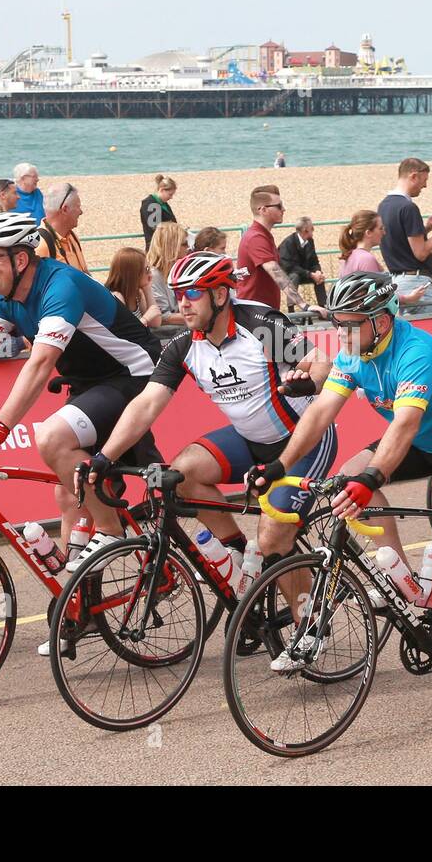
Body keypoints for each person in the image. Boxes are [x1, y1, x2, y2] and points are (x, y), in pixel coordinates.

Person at [0, 212, 162, 655]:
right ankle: (83, 609)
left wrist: (1, 426)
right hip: (90, 382)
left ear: (22, 259)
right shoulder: (3, 298)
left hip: (134, 375)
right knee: (67, 494)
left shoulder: (60, 285)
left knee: (51, 440)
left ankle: (112, 532)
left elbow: (39, 364)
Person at [246, 271, 432, 686]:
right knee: (346, 476)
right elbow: (319, 412)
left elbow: (404, 424)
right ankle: (405, 581)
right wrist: (279, 466)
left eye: (350, 323)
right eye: (338, 323)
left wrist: (371, 479)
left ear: (381, 321)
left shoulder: (416, 350)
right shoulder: (353, 352)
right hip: (424, 440)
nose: (342, 332)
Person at [85, 251, 336, 604]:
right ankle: (238, 553)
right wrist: (104, 456)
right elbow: (146, 404)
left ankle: (307, 630)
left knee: (274, 536)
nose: (182, 304)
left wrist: (308, 382)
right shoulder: (184, 346)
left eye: (191, 293)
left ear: (219, 295)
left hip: (302, 439)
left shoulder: (259, 324)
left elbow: (320, 362)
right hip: (250, 440)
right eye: (177, 294)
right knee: (182, 472)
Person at [379, 158, 432, 303]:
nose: (425, 185)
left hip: (396, 281)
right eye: (424, 180)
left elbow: (399, 238)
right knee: (425, 325)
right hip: (415, 282)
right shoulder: (408, 208)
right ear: (413, 176)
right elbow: (420, 253)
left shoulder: (384, 205)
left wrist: (424, 229)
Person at [236, 185, 317, 312]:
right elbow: (276, 272)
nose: (283, 209)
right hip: (254, 314)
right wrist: (303, 305)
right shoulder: (256, 237)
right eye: (279, 206)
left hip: (263, 312)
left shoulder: (263, 235)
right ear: (263, 210)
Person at [337, 211, 427, 307]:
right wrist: (408, 298)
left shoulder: (348, 256)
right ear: (368, 233)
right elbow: (377, 294)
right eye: (380, 228)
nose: (384, 232)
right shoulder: (366, 259)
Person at [35, 182, 88, 271]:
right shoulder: (41, 245)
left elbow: (85, 273)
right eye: (78, 207)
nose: (81, 212)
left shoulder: (72, 237)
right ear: (65, 209)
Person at [278, 217, 328, 310]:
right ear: (305, 230)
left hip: (304, 273)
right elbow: (289, 266)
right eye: (312, 229)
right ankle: (291, 310)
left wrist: (317, 271)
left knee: (319, 278)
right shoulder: (288, 243)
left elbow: (314, 260)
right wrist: (310, 274)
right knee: (294, 277)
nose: (313, 231)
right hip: (290, 273)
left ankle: (323, 306)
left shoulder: (310, 241)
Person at [146, 222, 191, 327]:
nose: (188, 247)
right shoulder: (153, 276)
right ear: (171, 247)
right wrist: (202, 317)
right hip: (167, 334)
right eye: (184, 244)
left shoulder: (177, 270)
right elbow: (163, 316)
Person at [105, 247, 162, 328]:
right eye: (147, 269)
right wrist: (146, 319)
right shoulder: (117, 297)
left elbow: (155, 324)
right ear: (133, 273)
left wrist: (147, 289)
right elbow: (126, 332)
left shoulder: (138, 293)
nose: (150, 273)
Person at [140, 175, 178, 251]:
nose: (171, 197)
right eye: (170, 194)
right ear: (161, 190)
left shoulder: (162, 203)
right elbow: (156, 229)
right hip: (157, 249)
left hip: (164, 246)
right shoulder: (151, 204)